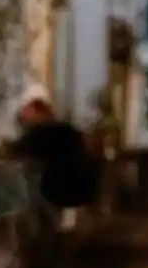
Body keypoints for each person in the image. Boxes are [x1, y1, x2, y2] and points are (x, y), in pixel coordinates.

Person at [9, 92, 101, 222]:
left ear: (39, 114)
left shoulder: (41, 132)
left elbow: (14, 152)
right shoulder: (69, 130)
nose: (25, 125)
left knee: (23, 181)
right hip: (84, 192)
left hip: (57, 193)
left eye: (25, 120)